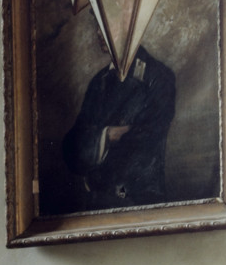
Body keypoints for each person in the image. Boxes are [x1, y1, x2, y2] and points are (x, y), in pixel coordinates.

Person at [60, 48, 176, 208]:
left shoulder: (158, 76)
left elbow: (146, 139)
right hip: (97, 203)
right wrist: (106, 134)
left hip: (140, 203)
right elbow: (73, 145)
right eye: (98, 26)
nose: (99, 32)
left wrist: (98, 140)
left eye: (107, 24)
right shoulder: (99, 80)